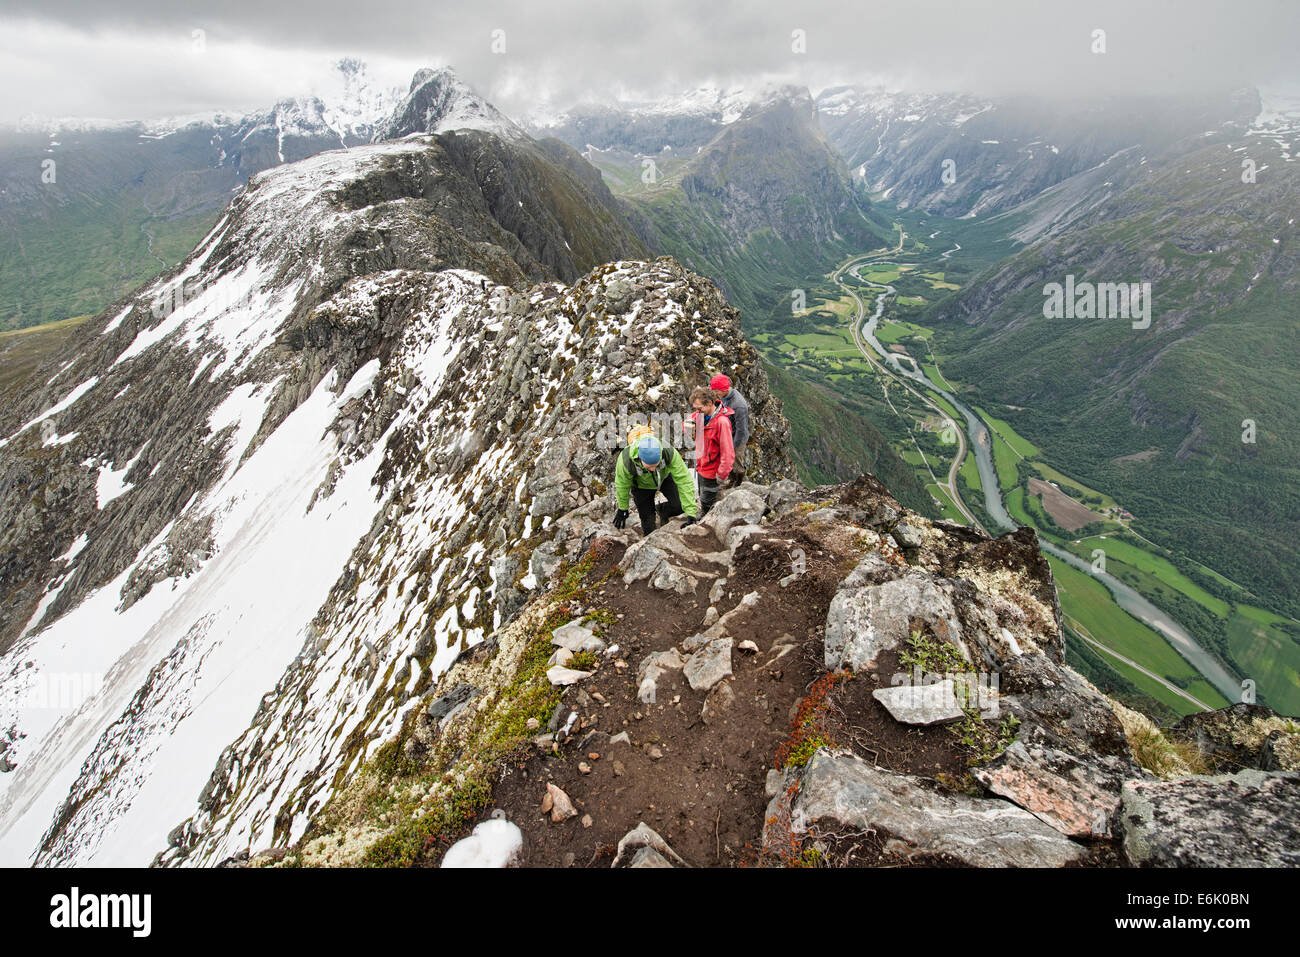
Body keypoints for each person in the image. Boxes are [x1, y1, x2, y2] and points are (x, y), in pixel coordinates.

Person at [613, 430, 698, 535]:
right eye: (649, 466)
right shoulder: (626, 460)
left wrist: (691, 514)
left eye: (656, 464)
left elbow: (684, 479)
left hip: (665, 478)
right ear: (639, 458)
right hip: (641, 487)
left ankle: (662, 511)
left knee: (679, 506)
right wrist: (622, 508)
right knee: (648, 524)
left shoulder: (667, 451)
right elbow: (622, 485)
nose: (653, 469)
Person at [685, 385, 734, 519]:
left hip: (712, 471)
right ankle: (706, 515)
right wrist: (688, 426)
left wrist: (722, 474)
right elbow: (689, 421)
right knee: (703, 496)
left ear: (710, 404)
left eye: (699, 408)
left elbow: (728, 451)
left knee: (708, 499)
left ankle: (707, 520)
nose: (697, 411)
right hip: (702, 466)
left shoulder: (722, 422)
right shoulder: (700, 415)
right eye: (695, 408)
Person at [710, 374, 749, 486]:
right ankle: (732, 479)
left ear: (724, 389)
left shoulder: (738, 405)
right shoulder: (726, 396)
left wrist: (732, 446)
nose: (715, 393)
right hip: (729, 433)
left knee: (736, 461)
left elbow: (741, 430)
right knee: (727, 459)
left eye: (716, 391)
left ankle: (738, 482)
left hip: (738, 437)